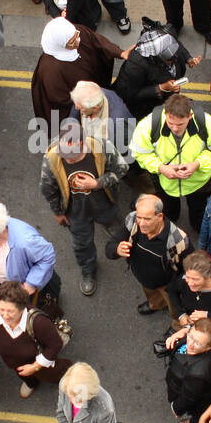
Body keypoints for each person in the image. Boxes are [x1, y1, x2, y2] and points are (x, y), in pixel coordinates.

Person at [39, 120, 125, 294]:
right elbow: (48, 189)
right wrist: (57, 212)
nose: (68, 159)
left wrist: (97, 183)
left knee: (113, 223)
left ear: (83, 143)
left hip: (104, 203)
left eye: (73, 155)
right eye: (65, 154)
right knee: (82, 245)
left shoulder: (101, 147)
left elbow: (122, 169)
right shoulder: (52, 157)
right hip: (75, 211)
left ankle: (116, 234)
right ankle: (88, 271)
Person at [130, 92, 211, 234]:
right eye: (170, 123)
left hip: (198, 182)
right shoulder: (148, 126)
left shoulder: (208, 124)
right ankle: (173, 218)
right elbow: (139, 154)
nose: (175, 129)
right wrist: (161, 168)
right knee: (170, 213)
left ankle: (197, 224)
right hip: (166, 182)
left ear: (190, 116)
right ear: (165, 113)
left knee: (198, 214)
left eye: (180, 124)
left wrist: (197, 164)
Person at [0, 280, 68, 397]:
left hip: (40, 362)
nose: (4, 315)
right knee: (23, 374)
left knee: (53, 373)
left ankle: (68, 378)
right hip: (15, 364)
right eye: (1, 309)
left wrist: (35, 366)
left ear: (22, 308)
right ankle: (31, 383)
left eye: (10, 311)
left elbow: (55, 345)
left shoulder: (39, 323)